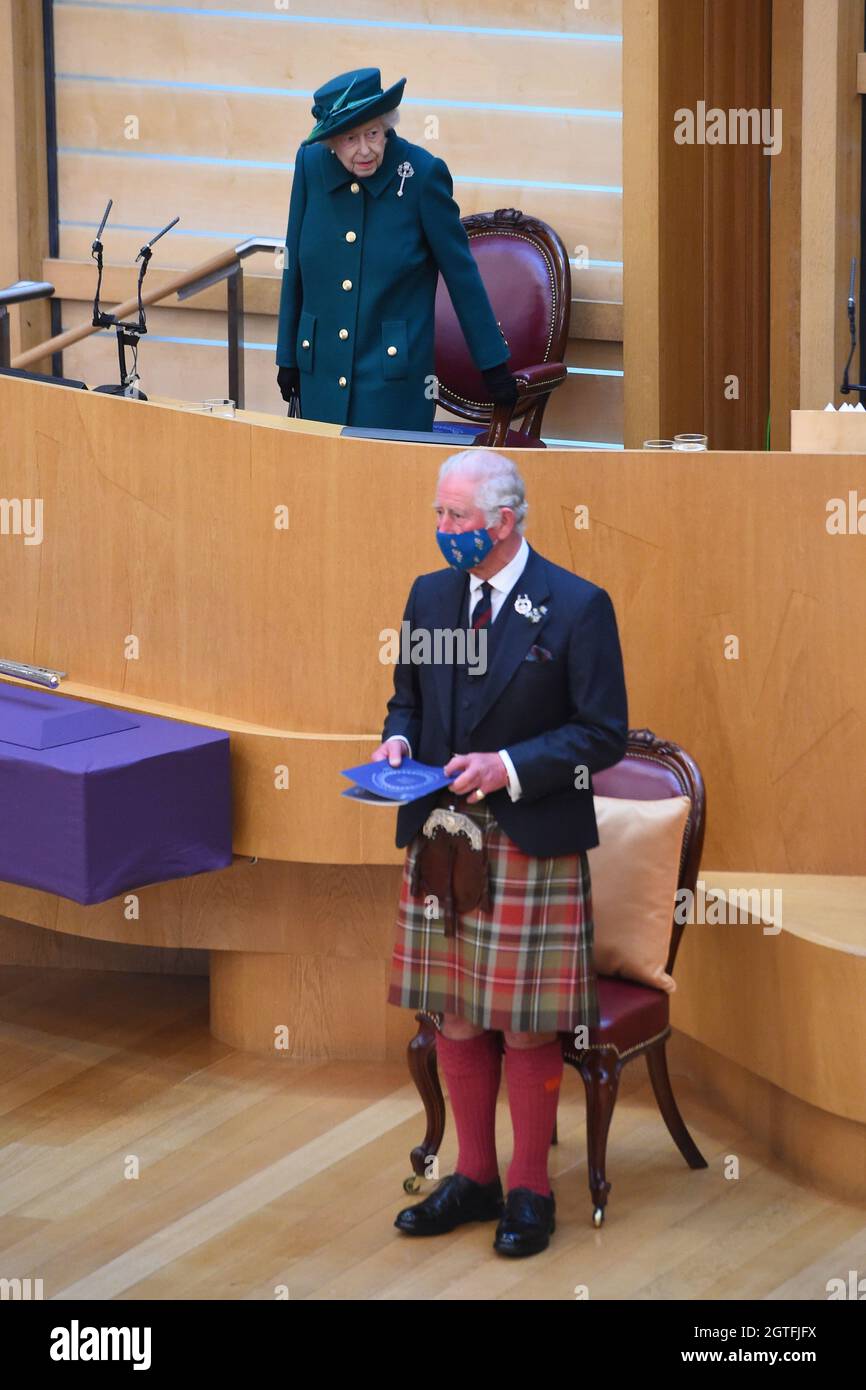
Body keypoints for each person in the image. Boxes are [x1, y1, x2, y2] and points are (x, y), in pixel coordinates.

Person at [371, 448, 628, 1257]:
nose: (442, 529)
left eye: (456, 518)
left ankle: (530, 1188)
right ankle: (474, 1176)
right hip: (442, 839)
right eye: (439, 515)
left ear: (504, 521)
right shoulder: (431, 596)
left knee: (524, 1026)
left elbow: (602, 733)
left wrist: (507, 768)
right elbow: (406, 694)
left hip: (527, 841)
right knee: (452, 1009)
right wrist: (397, 738)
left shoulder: (577, 608)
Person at [275, 68, 519, 429]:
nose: (364, 150)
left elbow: (460, 273)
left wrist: (493, 363)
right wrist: (288, 355)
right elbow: (294, 263)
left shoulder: (421, 174)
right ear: (329, 142)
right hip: (319, 374)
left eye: (373, 133)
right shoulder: (310, 164)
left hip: (392, 383)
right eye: (349, 138)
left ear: (387, 124)